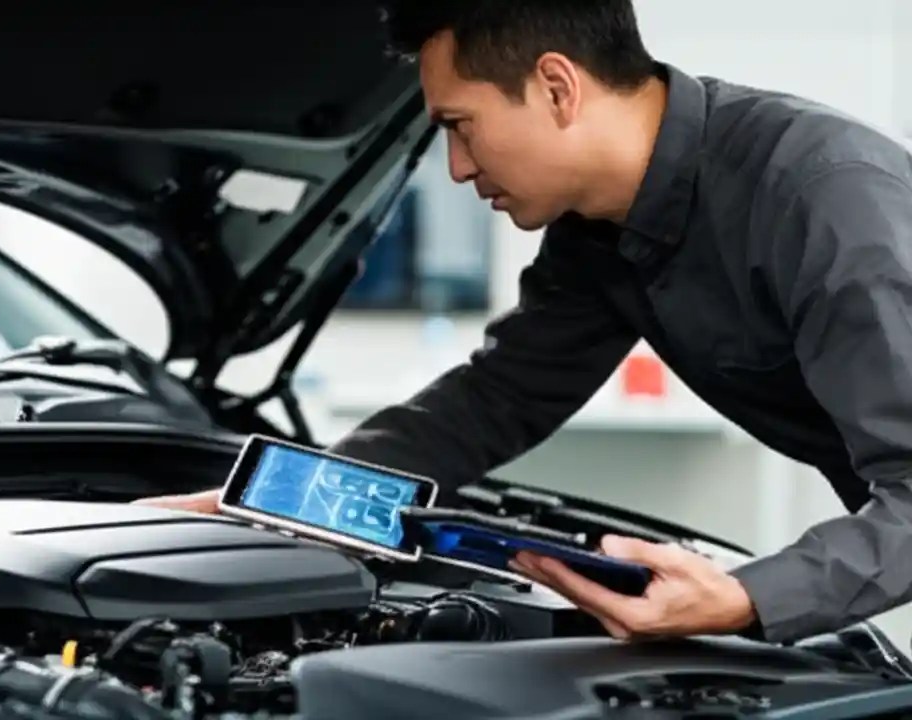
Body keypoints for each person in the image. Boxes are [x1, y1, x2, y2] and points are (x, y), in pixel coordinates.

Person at [136, 0, 912, 646]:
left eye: (459, 124)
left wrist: (745, 597)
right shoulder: (599, 230)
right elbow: (495, 400)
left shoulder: (830, 203)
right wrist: (293, 499)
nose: (457, 168)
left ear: (556, 87)